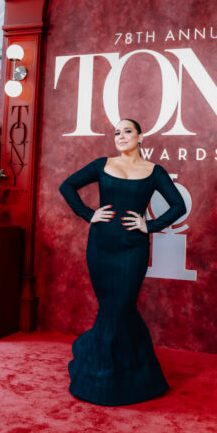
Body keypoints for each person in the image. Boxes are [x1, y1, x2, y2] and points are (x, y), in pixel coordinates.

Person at [58, 118, 187, 406]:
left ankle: (123, 375)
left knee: (121, 308)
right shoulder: (101, 165)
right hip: (100, 246)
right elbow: (66, 186)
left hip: (133, 249)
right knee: (110, 309)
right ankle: (110, 374)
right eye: (117, 133)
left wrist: (149, 225)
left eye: (127, 131)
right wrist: (88, 213)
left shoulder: (154, 171)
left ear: (140, 137)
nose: (120, 136)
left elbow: (178, 205)